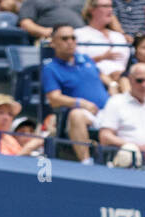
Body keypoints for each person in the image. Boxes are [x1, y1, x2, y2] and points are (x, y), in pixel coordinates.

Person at [41, 23, 110, 162]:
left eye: (73, 38)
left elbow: (101, 75)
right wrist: (80, 103)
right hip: (85, 114)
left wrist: (113, 84)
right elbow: (54, 98)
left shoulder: (85, 58)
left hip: (108, 111)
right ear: (53, 43)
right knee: (76, 114)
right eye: (64, 39)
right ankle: (86, 163)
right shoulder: (50, 68)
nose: (70, 42)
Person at [96, 62, 145, 164]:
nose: (144, 85)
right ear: (130, 79)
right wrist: (136, 147)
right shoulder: (116, 102)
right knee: (130, 152)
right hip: (125, 157)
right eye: (139, 80)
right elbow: (105, 136)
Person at [76, 0, 129, 90]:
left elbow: (123, 63)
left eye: (111, 6)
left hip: (120, 78)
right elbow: (79, 62)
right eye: (105, 6)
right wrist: (102, 57)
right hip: (92, 80)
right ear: (92, 10)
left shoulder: (118, 36)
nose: (110, 10)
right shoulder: (79, 34)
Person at [17, 0, 85, 40]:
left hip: (82, 39)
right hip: (50, 40)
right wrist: (47, 32)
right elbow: (25, 23)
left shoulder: (79, 1)